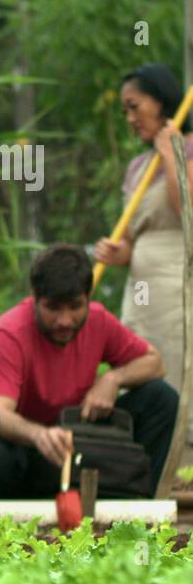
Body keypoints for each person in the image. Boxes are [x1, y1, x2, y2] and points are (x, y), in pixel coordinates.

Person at [0, 244, 176, 498]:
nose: (64, 320)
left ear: (88, 297)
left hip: (73, 441)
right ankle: (10, 517)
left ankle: (136, 502)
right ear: (34, 297)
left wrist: (113, 378)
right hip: (21, 447)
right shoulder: (9, 334)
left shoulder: (99, 321)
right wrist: (39, 435)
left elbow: (155, 364)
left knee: (160, 397)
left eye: (75, 307)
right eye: (53, 308)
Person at [94, 62, 193, 445]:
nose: (130, 118)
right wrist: (117, 252)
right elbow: (135, 239)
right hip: (140, 291)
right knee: (139, 360)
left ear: (161, 100)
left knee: (177, 365)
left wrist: (170, 153)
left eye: (135, 107)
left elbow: (186, 212)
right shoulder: (137, 167)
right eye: (125, 111)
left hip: (176, 285)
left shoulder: (185, 150)